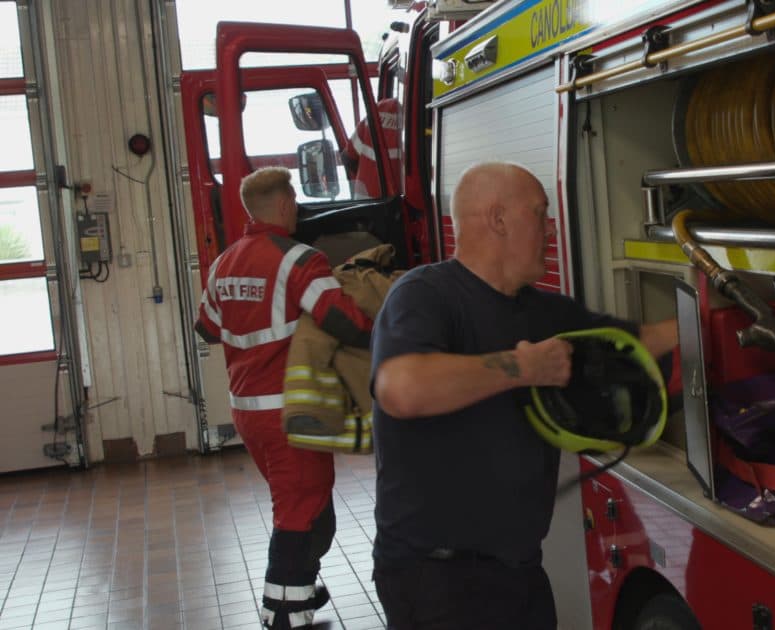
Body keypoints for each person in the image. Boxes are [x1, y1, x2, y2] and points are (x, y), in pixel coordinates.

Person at [370, 162, 677, 629]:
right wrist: (522, 367)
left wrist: (717, 309)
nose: (550, 229)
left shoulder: (543, 312)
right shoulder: (425, 295)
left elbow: (639, 342)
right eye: (540, 213)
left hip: (519, 573)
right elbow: (403, 389)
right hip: (435, 580)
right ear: (498, 220)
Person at [194, 167, 375, 629]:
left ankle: (300, 586)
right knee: (300, 508)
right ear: (284, 205)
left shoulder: (223, 263)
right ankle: (285, 612)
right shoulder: (299, 260)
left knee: (303, 502)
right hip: (291, 410)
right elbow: (344, 321)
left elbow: (207, 329)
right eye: (293, 202)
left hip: (247, 411)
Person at [344, 96, 400, 199]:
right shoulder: (425, 118)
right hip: (395, 208)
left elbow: (348, 157)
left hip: (364, 205)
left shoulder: (380, 108)